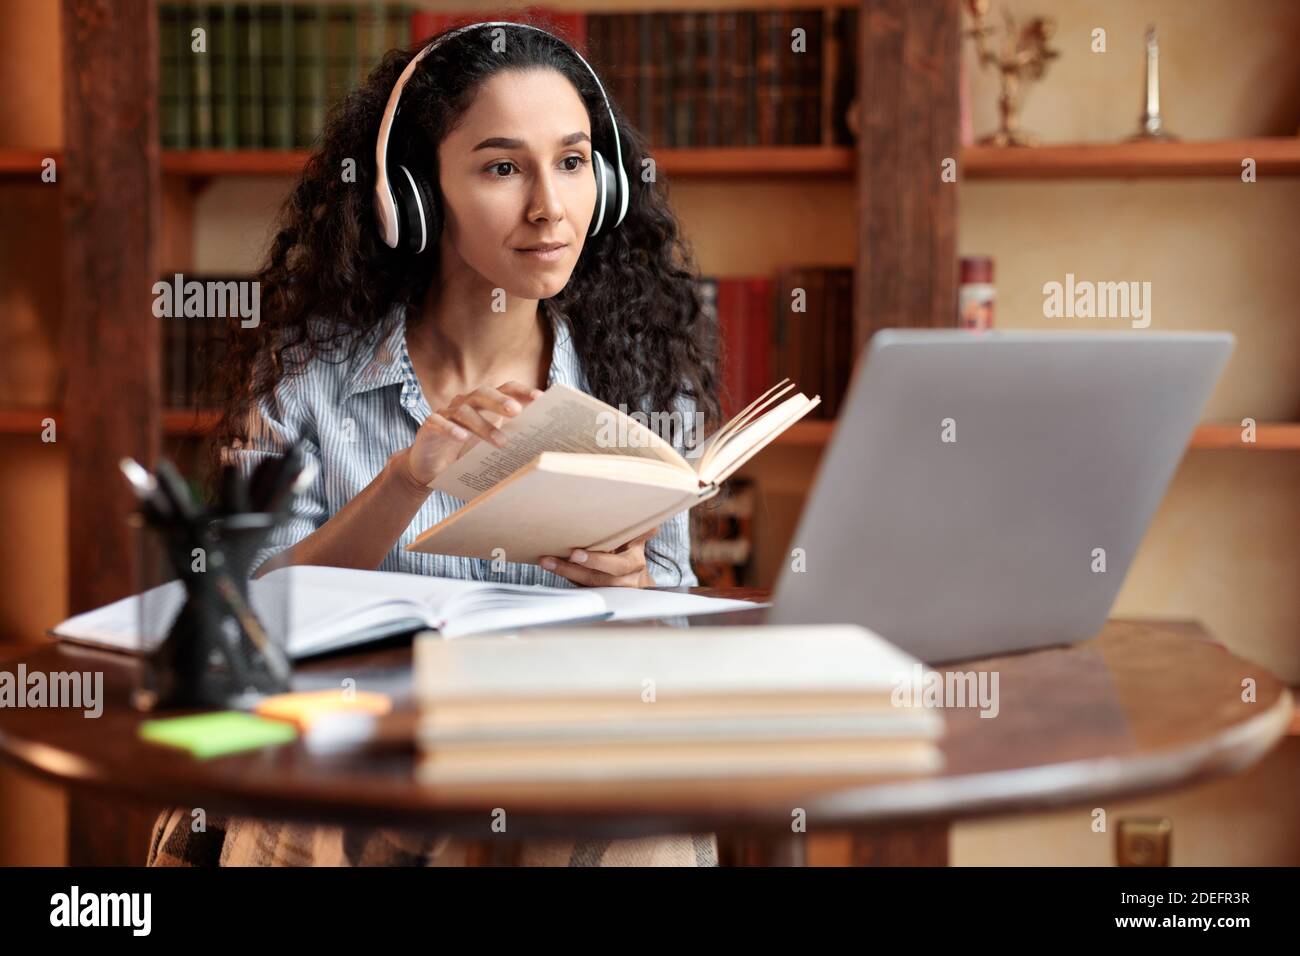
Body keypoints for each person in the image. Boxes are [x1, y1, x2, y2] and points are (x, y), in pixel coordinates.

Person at [147, 20, 720, 867]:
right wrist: (408, 479)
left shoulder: (638, 383)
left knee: (645, 826)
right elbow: (247, 623)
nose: (549, 207)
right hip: (359, 759)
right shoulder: (307, 374)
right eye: (501, 168)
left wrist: (634, 583)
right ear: (415, 196)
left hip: (554, 764)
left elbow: (668, 660)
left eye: (570, 163)